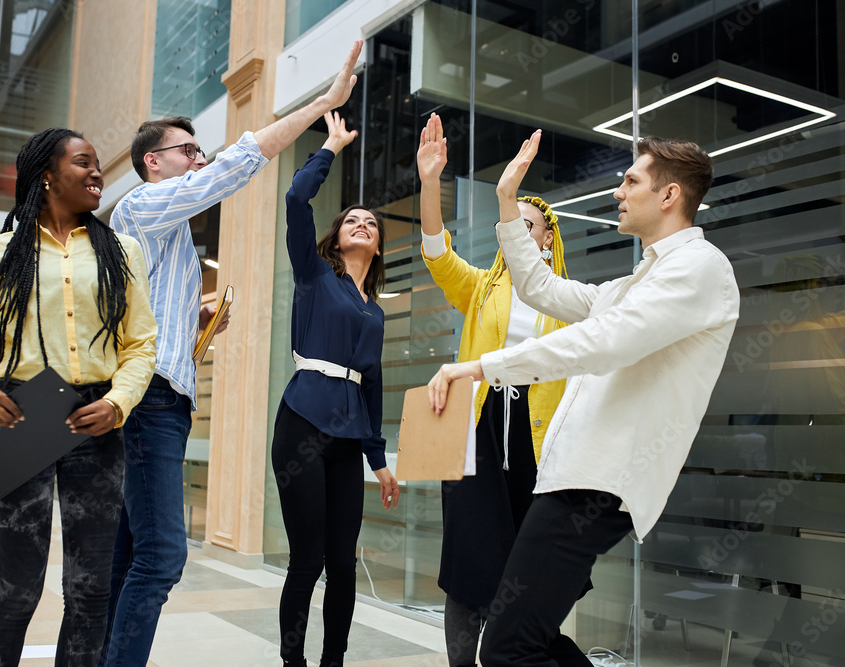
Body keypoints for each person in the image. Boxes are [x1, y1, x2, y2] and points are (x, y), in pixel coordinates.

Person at [426, 132, 739, 666]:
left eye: (630, 180)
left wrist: (482, 367)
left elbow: (602, 342)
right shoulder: (639, 280)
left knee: (509, 646)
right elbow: (539, 288)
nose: (619, 192)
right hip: (571, 478)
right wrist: (506, 201)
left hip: (597, 483)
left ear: (668, 196)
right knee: (526, 639)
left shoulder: (699, 268)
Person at [100, 41, 367, 667]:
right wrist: (322, 107)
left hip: (158, 392)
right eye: (187, 150)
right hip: (151, 398)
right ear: (152, 164)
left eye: (199, 148)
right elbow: (239, 164)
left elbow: (145, 315)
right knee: (164, 556)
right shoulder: (141, 205)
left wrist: (199, 323)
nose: (199, 159)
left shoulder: (166, 235)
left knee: (130, 553)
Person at [0, 128, 157, 665]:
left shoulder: (121, 251)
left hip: (96, 422)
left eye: (99, 165)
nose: (97, 173)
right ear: (47, 175)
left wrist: (118, 402)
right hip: (19, 416)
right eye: (83, 163)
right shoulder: (4, 251)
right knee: (17, 589)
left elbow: (141, 346)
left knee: (91, 591)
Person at [417, 114, 579, 666]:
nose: (512, 230)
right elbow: (436, 252)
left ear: (547, 235)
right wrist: (429, 181)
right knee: (469, 564)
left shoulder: (567, 299)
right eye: (506, 222)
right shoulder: (481, 288)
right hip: (479, 434)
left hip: (540, 443)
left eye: (525, 223)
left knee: (529, 570)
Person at [272, 111, 399, 667]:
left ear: (377, 245)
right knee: (308, 560)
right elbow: (297, 202)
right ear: (337, 235)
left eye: (371, 223)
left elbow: (373, 385)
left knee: (343, 563)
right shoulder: (313, 274)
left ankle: (333, 662)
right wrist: (330, 147)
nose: (362, 224)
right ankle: (294, 662)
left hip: (349, 439)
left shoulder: (374, 311)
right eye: (352, 219)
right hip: (302, 420)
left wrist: (380, 459)